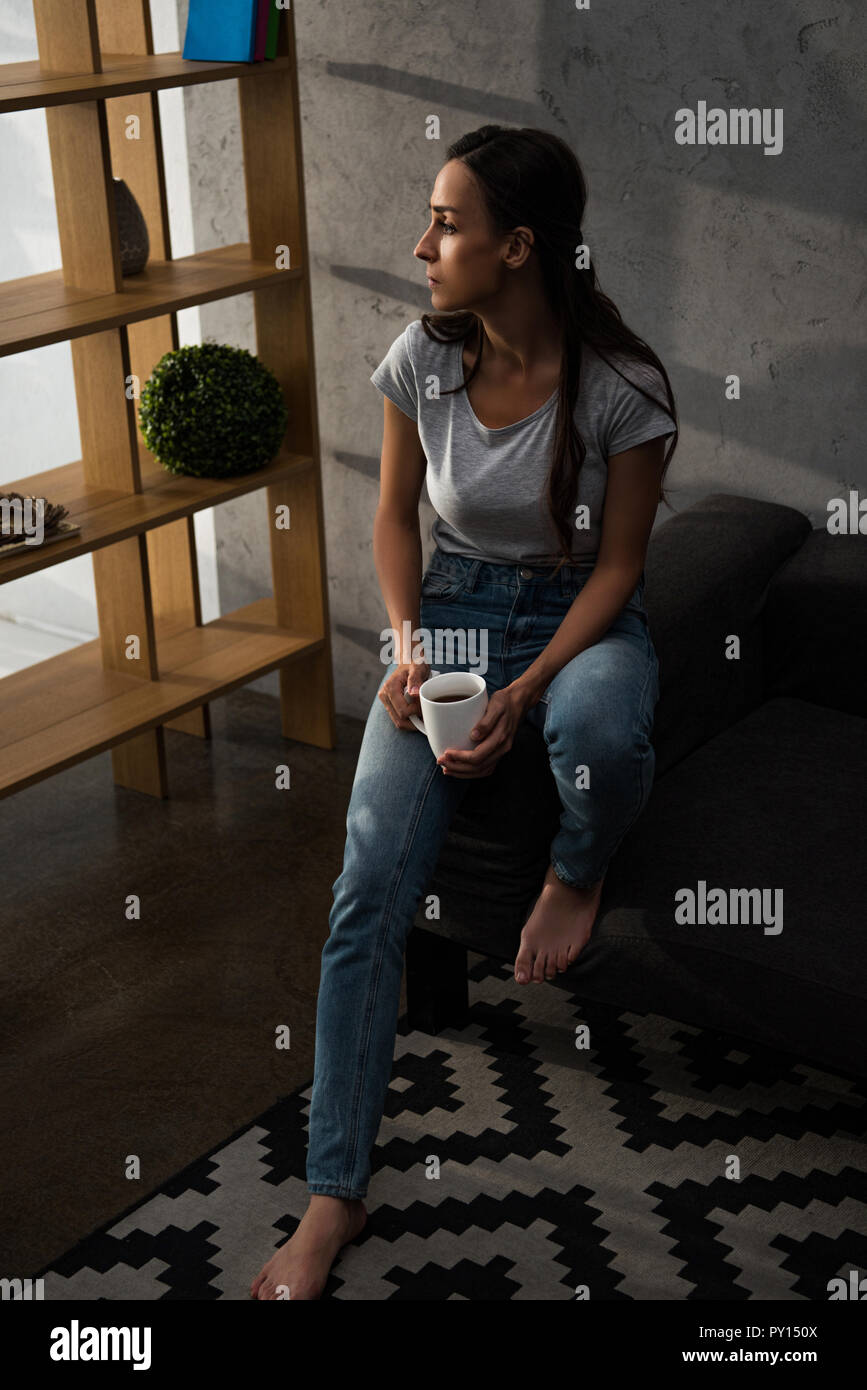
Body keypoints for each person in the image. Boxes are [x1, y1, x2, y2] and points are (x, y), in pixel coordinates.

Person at [251, 124, 678, 1300]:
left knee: (595, 734)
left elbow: (620, 570)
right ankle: (331, 1194)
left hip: (575, 621)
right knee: (364, 883)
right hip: (450, 615)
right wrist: (406, 644)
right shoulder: (421, 360)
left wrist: (528, 690)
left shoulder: (624, 388)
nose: (422, 244)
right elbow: (397, 521)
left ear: (519, 247)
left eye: (446, 222)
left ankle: (576, 871)